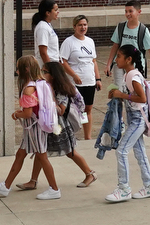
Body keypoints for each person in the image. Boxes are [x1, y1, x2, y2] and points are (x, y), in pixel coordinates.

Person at [0, 56, 61, 200]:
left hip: (34, 128)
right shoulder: (41, 83)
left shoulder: (28, 89)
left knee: (42, 156)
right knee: (20, 154)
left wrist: (16, 114)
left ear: (25, 70)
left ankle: (54, 189)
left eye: (18, 68)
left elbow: (27, 113)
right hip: (38, 126)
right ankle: (5, 186)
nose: (16, 71)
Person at [21, 62, 98, 190]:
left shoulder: (61, 89)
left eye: (45, 72)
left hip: (59, 125)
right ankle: (33, 181)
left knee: (69, 151)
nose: (42, 74)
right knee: (41, 151)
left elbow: (61, 110)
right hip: (48, 122)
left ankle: (90, 173)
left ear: (54, 75)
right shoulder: (46, 85)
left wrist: (45, 101)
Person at [103, 43, 150, 201]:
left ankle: (124, 189)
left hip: (137, 119)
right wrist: (117, 94)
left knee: (121, 151)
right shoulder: (131, 74)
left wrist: (122, 95)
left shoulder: (133, 76)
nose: (116, 59)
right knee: (140, 152)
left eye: (119, 56)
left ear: (128, 59)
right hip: (135, 118)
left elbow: (142, 98)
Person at [61, 15, 101, 139]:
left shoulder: (90, 41)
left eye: (85, 25)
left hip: (89, 80)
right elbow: (63, 61)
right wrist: (74, 74)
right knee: (75, 109)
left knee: (87, 109)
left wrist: (98, 79)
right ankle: (69, 134)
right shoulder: (69, 42)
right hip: (76, 82)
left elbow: (93, 61)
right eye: (80, 25)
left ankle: (87, 136)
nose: (83, 27)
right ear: (74, 27)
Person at [111, 0, 150, 77]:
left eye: (130, 11)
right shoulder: (120, 27)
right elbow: (115, 46)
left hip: (136, 66)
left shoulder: (143, 30)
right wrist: (108, 65)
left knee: (134, 87)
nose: (127, 14)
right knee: (119, 87)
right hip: (120, 65)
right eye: (126, 11)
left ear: (139, 12)